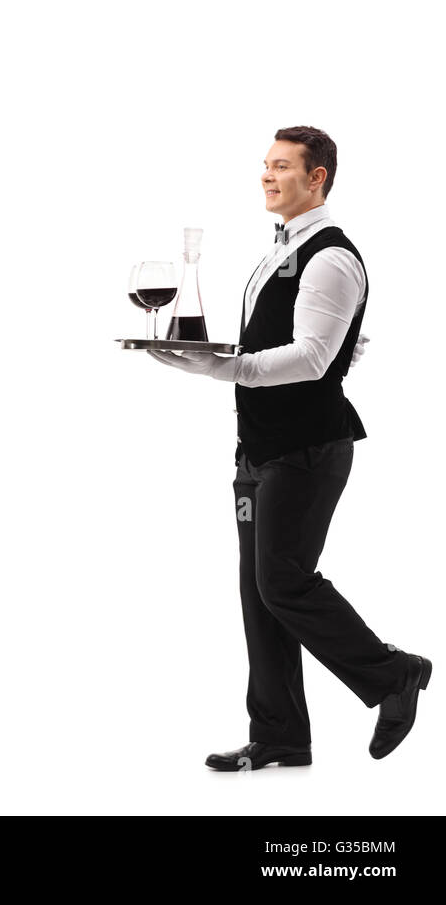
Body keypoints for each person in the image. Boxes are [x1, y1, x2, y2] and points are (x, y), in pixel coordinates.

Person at [149, 126, 430, 769]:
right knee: (259, 592)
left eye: (282, 166)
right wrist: (223, 359)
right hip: (259, 446)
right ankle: (279, 734)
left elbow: (310, 358)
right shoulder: (281, 251)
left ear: (318, 177)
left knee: (282, 581)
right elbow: (328, 345)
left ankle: (393, 675)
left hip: (309, 448)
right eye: (265, 166)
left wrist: (221, 368)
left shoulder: (329, 254)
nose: (267, 176)